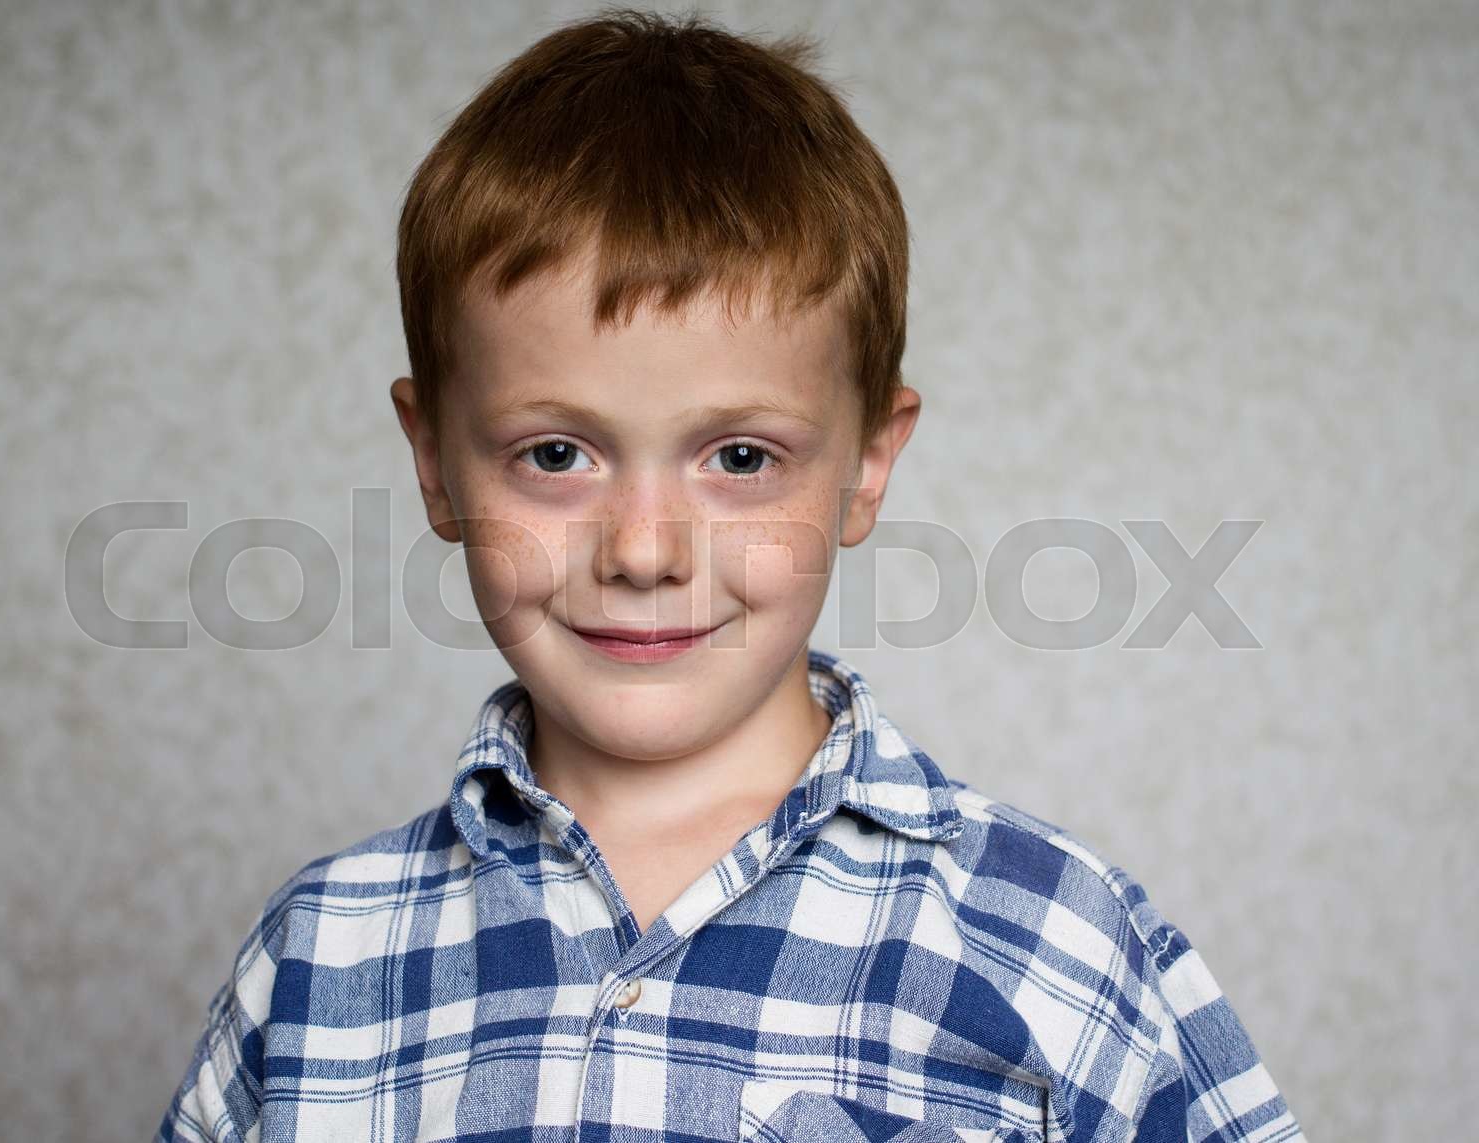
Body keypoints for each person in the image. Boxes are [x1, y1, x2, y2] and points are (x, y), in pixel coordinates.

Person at [158, 8, 1304, 1141]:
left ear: (865, 466)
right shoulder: (317, 958)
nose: (645, 552)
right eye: (555, 454)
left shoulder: (1057, 945)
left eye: (740, 458)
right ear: (434, 463)